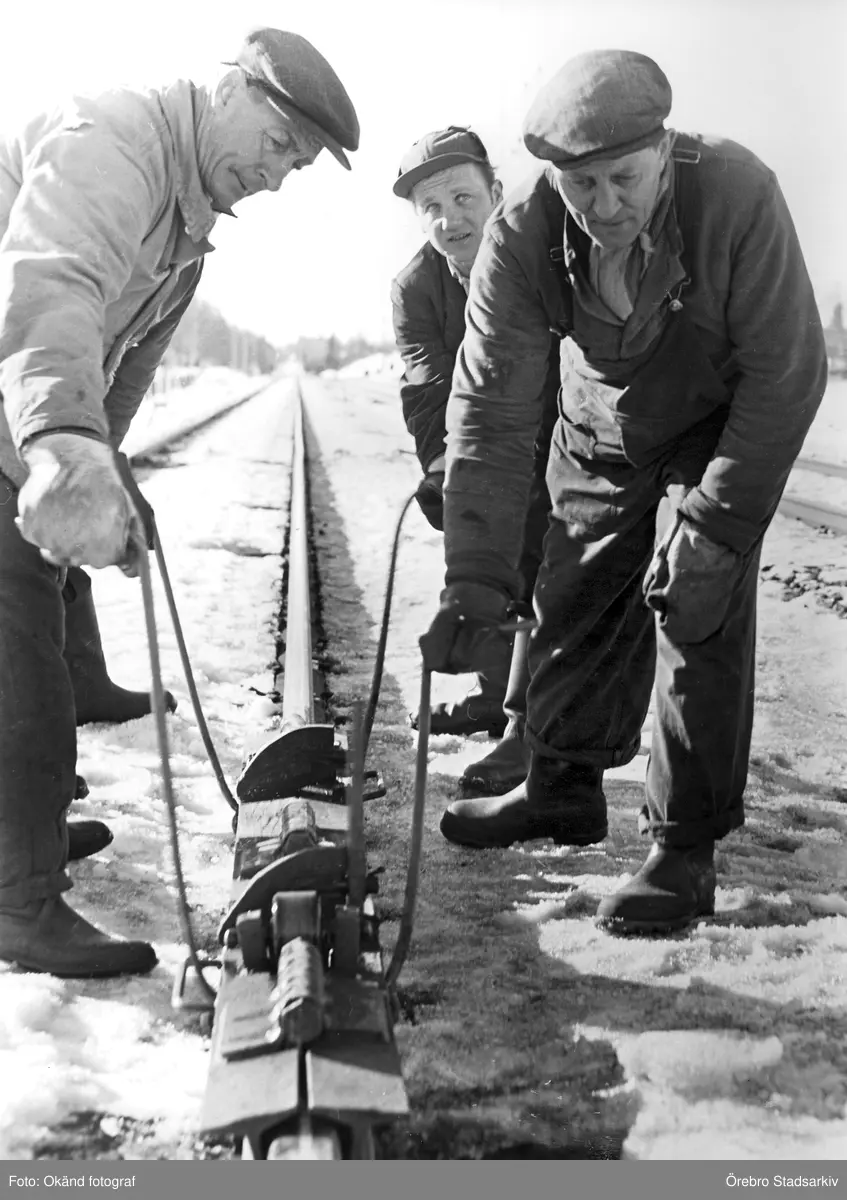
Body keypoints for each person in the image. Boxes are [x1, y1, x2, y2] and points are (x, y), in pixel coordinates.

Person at [421, 49, 827, 935]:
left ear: (663, 152)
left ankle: (683, 850)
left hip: (717, 422)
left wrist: (716, 526)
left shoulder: (734, 192)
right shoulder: (522, 233)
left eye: (625, 179)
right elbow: (489, 408)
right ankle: (560, 789)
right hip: (599, 424)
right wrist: (475, 573)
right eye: (582, 186)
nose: (604, 206)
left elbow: (787, 373)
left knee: (696, 606)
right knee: (566, 590)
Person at [0, 27, 359, 977]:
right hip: (16, 387)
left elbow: (119, 371)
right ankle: (16, 902)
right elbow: (49, 292)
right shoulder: (114, 144)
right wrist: (61, 450)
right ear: (227, 90)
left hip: (18, 403)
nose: (278, 177)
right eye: (279, 144)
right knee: (18, 661)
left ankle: (18, 832)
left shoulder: (188, 235)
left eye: (299, 164)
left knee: (31, 616)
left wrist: (102, 466)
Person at [391, 127, 557, 790]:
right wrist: (443, 468)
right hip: (477, 444)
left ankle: (534, 726)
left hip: (555, 430)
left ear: (494, 190)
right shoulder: (415, 288)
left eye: (462, 197)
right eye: (429, 207)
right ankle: (497, 695)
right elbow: (426, 385)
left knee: (552, 569)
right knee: (480, 555)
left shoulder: (541, 255)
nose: (448, 218)